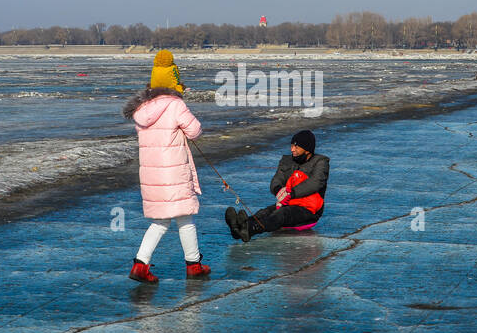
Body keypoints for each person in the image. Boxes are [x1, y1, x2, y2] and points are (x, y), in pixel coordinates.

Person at [123, 50, 210, 283]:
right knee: (185, 218)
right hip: (174, 171)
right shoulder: (175, 104)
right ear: (174, 80)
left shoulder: (142, 110)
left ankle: (141, 264)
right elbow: (195, 130)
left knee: (160, 221)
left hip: (152, 173)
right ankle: (193, 265)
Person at [225, 130, 329, 242]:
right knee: (264, 212)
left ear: (307, 150)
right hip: (288, 203)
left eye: (296, 147)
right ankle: (238, 228)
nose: (292, 149)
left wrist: (291, 193)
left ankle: (250, 229)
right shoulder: (287, 161)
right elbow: (276, 180)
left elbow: (315, 183)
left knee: (282, 214)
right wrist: (278, 190)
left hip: (308, 210)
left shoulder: (321, 162)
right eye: (292, 146)